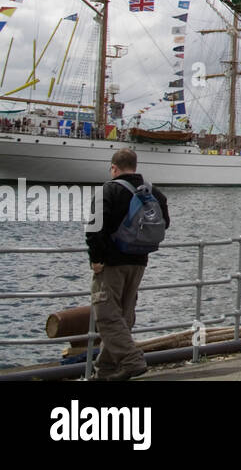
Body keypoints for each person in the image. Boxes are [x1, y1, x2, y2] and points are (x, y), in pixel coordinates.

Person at [85, 148, 170, 380]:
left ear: (114, 168)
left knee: (106, 316)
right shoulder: (153, 192)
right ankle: (106, 370)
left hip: (111, 263)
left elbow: (95, 228)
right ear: (135, 165)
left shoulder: (108, 190)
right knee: (123, 315)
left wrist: (96, 258)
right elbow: (166, 223)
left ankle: (132, 360)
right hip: (139, 261)